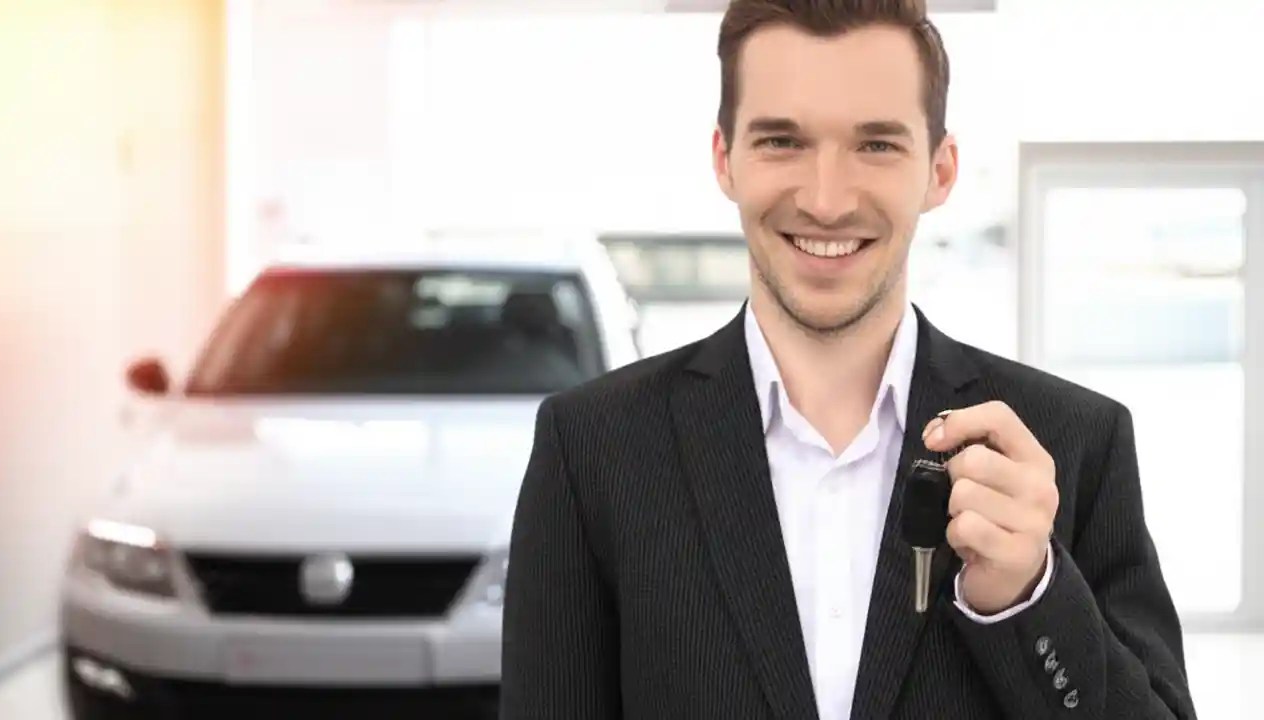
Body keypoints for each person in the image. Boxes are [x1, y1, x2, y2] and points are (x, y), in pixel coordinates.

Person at [499, 0, 1197, 717]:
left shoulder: (1076, 442)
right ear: (724, 160)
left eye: (877, 145)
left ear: (940, 170)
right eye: (781, 141)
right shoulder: (593, 450)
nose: (827, 201)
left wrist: (1032, 597)